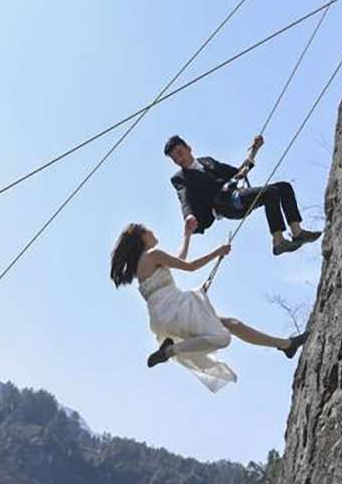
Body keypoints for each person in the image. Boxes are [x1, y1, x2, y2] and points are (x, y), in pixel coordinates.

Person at [110, 223, 309, 392]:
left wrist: (187, 235)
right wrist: (218, 252)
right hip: (177, 311)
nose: (153, 233)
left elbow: (179, 261)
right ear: (142, 236)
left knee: (232, 324)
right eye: (149, 231)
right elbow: (189, 266)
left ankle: (286, 345)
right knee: (222, 337)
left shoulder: (140, 266)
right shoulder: (152, 254)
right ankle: (171, 350)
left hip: (163, 320)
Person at [164, 134, 320, 255]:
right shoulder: (180, 178)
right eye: (174, 158)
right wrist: (189, 216)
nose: (179, 159)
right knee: (269, 192)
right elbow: (184, 198)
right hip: (225, 205)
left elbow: (237, 172)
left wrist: (255, 150)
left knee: (284, 187)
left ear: (188, 148)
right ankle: (278, 241)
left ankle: (297, 231)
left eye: (180, 153)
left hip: (237, 195)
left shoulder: (207, 161)